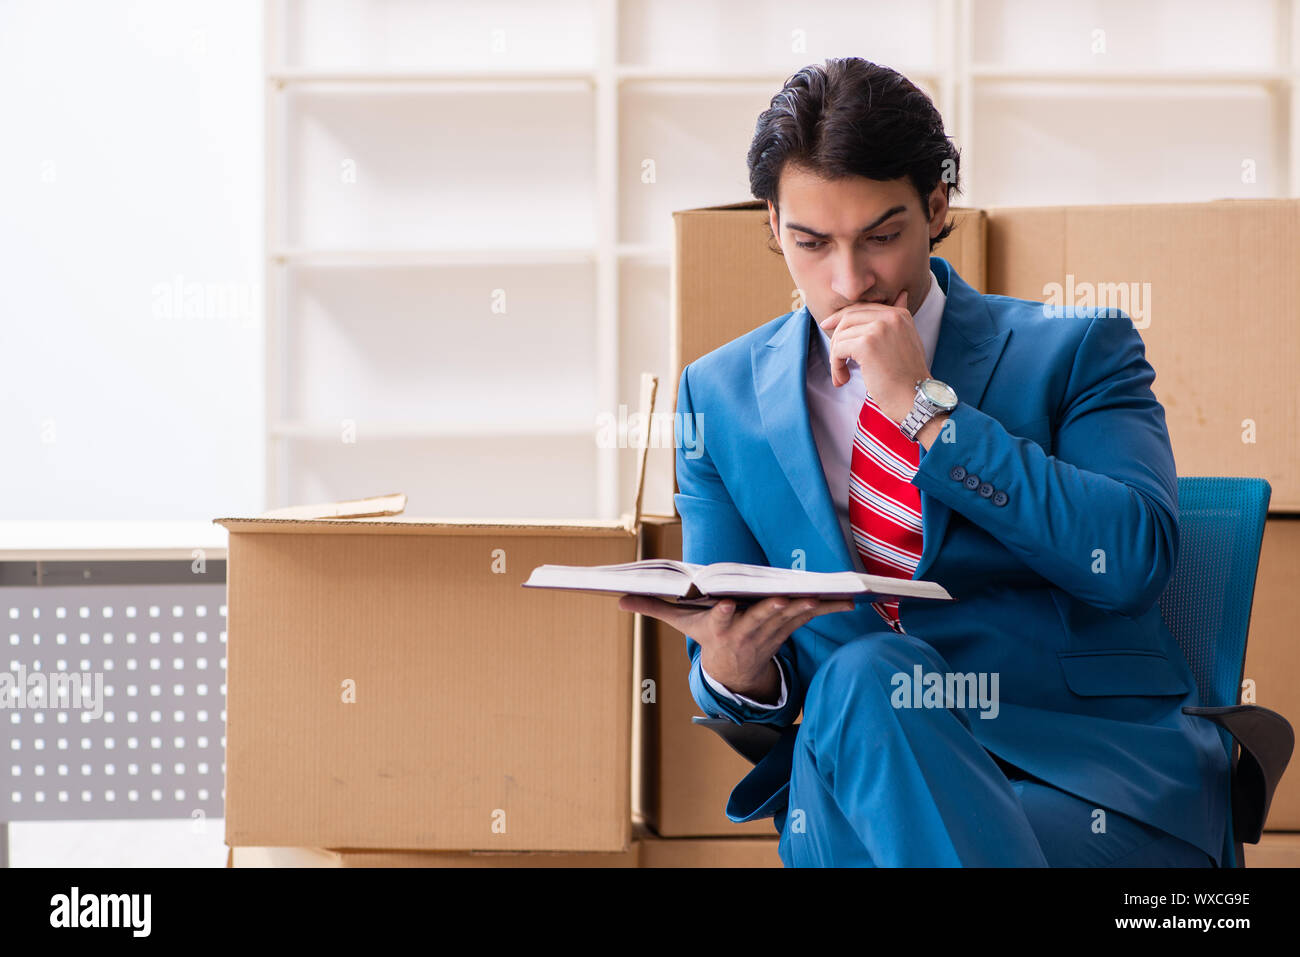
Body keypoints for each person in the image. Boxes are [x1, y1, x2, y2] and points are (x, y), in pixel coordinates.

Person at [618, 57, 1228, 867]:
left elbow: (1130, 561)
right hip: (861, 778)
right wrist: (734, 667)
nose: (848, 280)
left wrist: (924, 409)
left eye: (882, 236)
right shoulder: (719, 396)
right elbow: (741, 680)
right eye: (811, 242)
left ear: (937, 206)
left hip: (1080, 785)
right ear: (771, 225)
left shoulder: (1079, 348)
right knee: (864, 677)